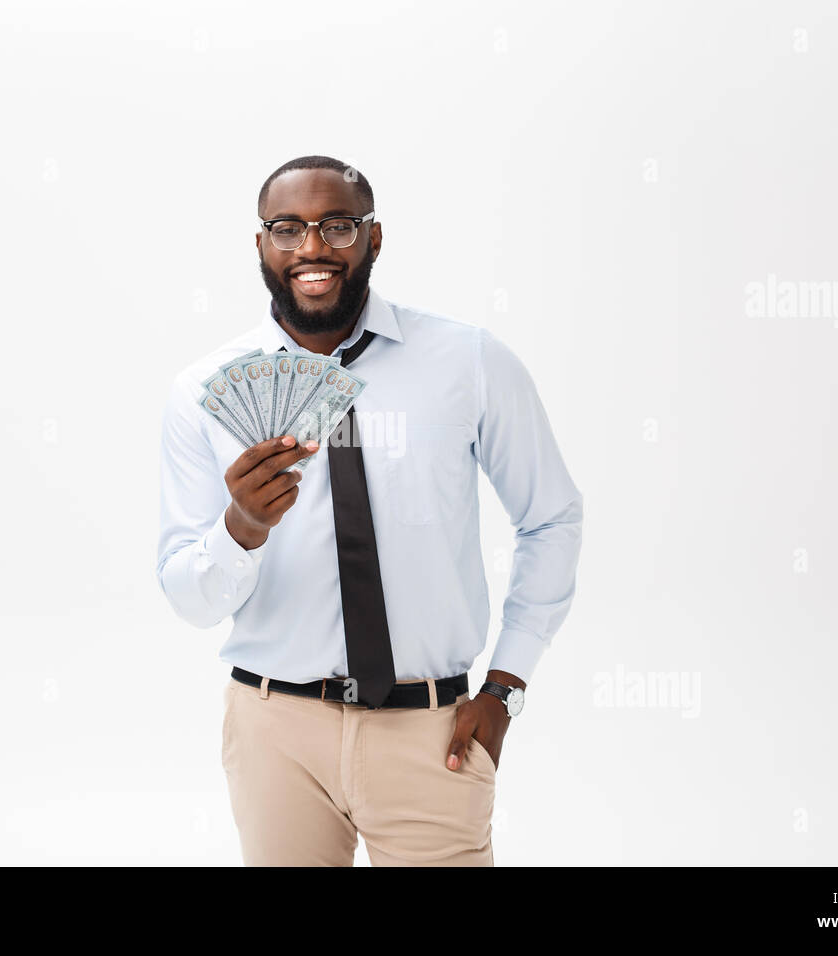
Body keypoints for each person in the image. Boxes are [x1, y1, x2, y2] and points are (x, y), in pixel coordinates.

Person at [156, 155, 584, 866]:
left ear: (374, 240)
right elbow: (188, 598)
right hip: (273, 732)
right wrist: (242, 530)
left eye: (337, 227)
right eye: (287, 229)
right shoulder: (203, 391)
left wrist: (505, 687)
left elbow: (552, 517)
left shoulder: (469, 361)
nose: (313, 248)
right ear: (261, 245)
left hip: (431, 732)